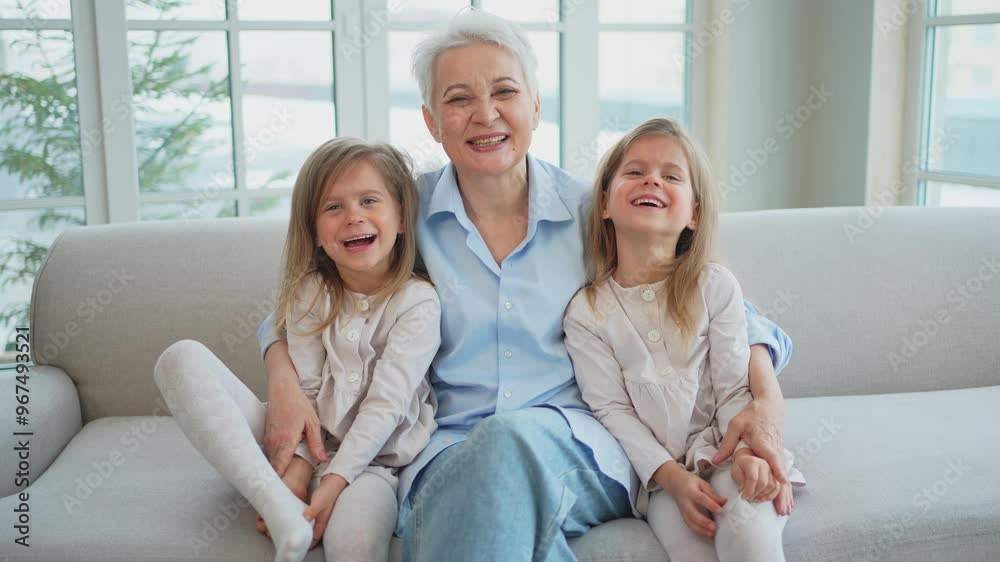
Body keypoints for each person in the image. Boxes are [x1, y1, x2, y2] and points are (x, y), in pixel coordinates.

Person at [258, 9, 793, 561]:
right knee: (483, 494)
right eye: (459, 99)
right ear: (431, 122)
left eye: (505, 92)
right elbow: (316, 303)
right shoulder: (397, 214)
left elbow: (719, 303)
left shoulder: (594, 211)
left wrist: (767, 403)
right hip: (445, 450)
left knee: (503, 446)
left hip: (576, 447)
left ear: (535, 105)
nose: (485, 114)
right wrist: (284, 380)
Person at [154, 138, 440, 562]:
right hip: (296, 439)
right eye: (333, 207)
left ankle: (284, 500)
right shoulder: (311, 292)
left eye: (368, 200)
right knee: (180, 357)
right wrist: (297, 471)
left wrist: (333, 481)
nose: (353, 216)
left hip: (372, 464)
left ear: (401, 217)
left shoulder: (418, 303)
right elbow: (305, 393)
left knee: (354, 544)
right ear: (315, 233)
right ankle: (274, 501)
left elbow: (387, 405)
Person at [563, 118, 805, 562]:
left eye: (671, 176)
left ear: (693, 213)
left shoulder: (715, 286)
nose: (652, 180)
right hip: (664, 481)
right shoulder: (586, 312)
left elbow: (734, 388)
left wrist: (748, 453)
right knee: (690, 551)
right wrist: (672, 479)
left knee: (749, 536)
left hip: (730, 452)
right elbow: (612, 410)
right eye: (635, 172)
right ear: (605, 203)